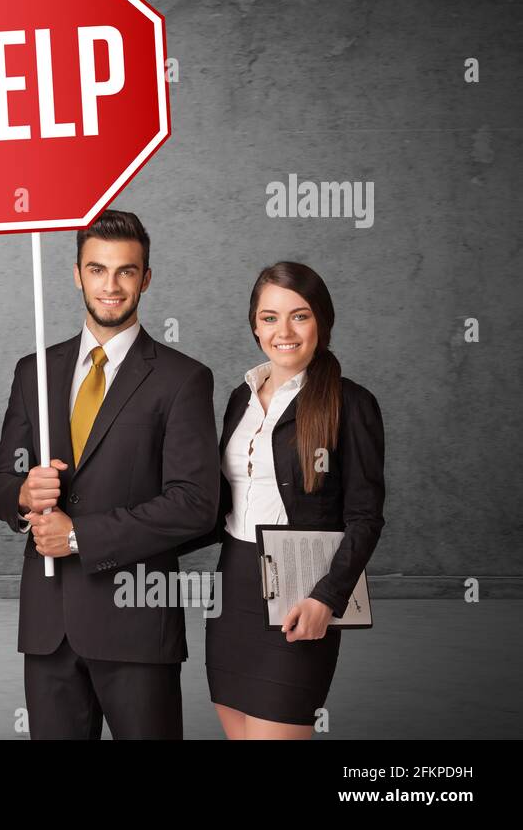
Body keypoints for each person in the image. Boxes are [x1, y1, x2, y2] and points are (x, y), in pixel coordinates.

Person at [0, 210, 219, 739]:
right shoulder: (34, 371)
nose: (110, 286)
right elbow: (1, 478)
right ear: (76, 274)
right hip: (48, 629)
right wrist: (23, 494)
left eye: (126, 271)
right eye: (97, 270)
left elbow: (195, 503)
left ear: (146, 278)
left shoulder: (183, 380)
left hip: (137, 622)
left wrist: (78, 536)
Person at [178, 262, 385, 739]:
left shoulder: (350, 404)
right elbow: (218, 507)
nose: (284, 331)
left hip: (301, 591)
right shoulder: (240, 398)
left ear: (322, 322)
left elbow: (365, 517)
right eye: (270, 317)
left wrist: (325, 598)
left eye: (300, 316)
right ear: (255, 324)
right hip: (232, 588)